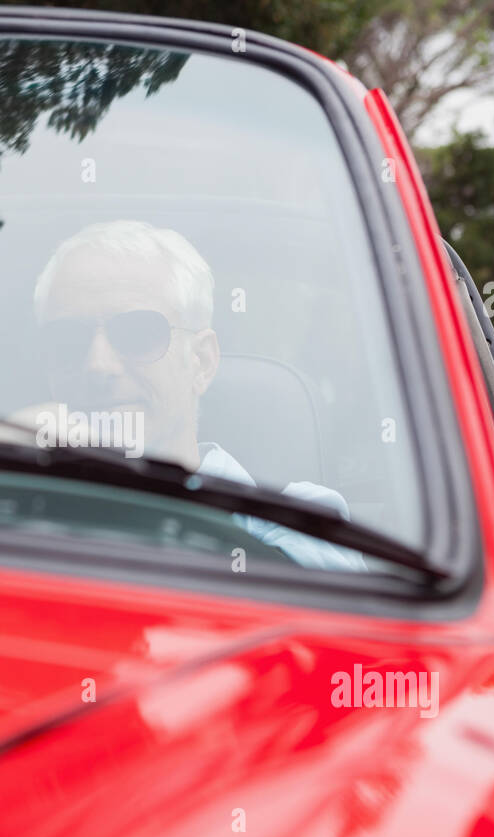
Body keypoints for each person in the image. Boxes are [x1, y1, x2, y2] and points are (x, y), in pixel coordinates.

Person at [29, 219, 365, 572]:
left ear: (201, 362)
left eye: (138, 333)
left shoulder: (294, 525)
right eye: (68, 341)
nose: (97, 364)